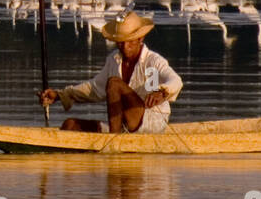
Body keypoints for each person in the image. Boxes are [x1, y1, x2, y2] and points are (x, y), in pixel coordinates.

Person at [40, 11, 182, 133]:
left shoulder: (152, 62)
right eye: (120, 42)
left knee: (114, 83)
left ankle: (114, 143)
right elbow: (94, 89)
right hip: (125, 125)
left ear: (140, 38)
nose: (125, 47)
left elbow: (175, 81)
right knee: (69, 125)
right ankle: (115, 137)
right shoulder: (114, 60)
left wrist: (162, 93)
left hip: (152, 120)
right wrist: (60, 95)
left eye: (130, 41)